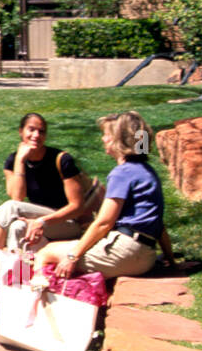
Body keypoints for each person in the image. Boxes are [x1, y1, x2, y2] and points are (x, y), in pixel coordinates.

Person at [0, 112, 103, 293]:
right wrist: (20, 160)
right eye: (31, 130)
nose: (36, 135)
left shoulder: (62, 160)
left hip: (69, 225)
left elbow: (76, 207)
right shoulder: (13, 161)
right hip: (40, 224)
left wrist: (42, 221)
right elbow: (17, 195)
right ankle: (19, 286)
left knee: (11, 208)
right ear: (21, 132)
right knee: (16, 226)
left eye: (41, 131)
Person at [33, 111, 177, 281]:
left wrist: (72, 257)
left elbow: (104, 223)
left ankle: (26, 294)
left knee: (45, 253)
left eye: (107, 135)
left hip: (124, 253)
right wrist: (170, 259)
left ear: (120, 139)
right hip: (146, 257)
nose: (103, 139)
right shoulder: (149, 172)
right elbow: (159, 224)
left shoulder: (122, 173)